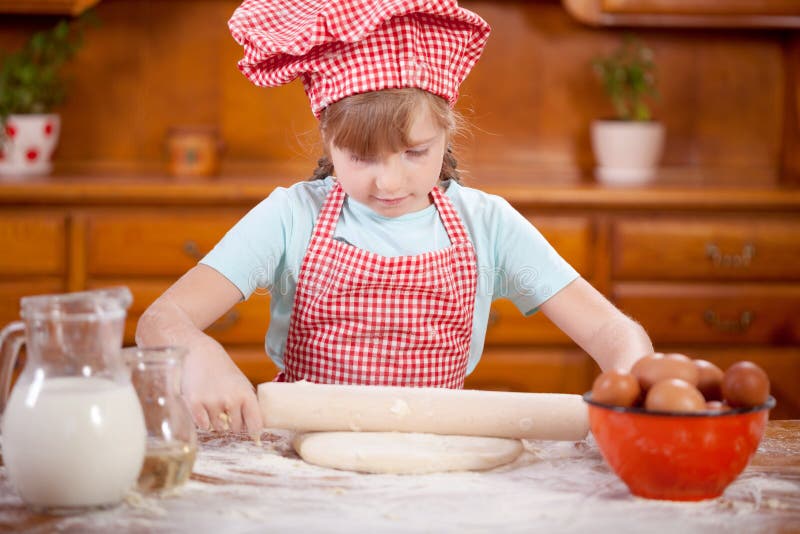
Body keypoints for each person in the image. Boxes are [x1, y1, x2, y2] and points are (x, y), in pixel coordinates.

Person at [135, 0, 654, 437]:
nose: (389, 183)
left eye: (414, 152)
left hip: (436, 459)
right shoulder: (290, 216)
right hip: (304, 461)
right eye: (361, 157)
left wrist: (633, 376)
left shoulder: (487, 225)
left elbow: (610, 328)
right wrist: (198, 351)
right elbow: (160, 321)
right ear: (326, 139)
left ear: (447, 134)